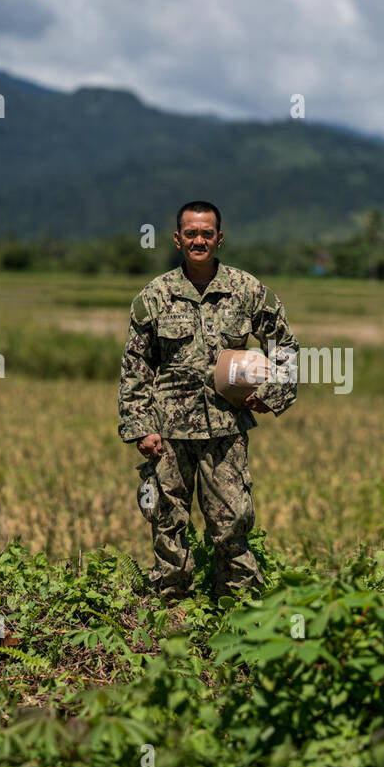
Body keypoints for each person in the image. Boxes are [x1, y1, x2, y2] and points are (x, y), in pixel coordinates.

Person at [117, 200, 298, 603]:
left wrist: (272, 393)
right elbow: (136, 365)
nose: (199, 240)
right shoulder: (154, 296)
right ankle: (172, 614)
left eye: (207, 233)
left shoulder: (248, 291)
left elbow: (284, 345)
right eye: (191, 233)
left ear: (219, 238)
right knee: (167, 522)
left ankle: (239, 615)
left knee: (233, 522)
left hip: (226, 430)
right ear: (177, 239)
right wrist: (140, 427)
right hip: (168, 432)